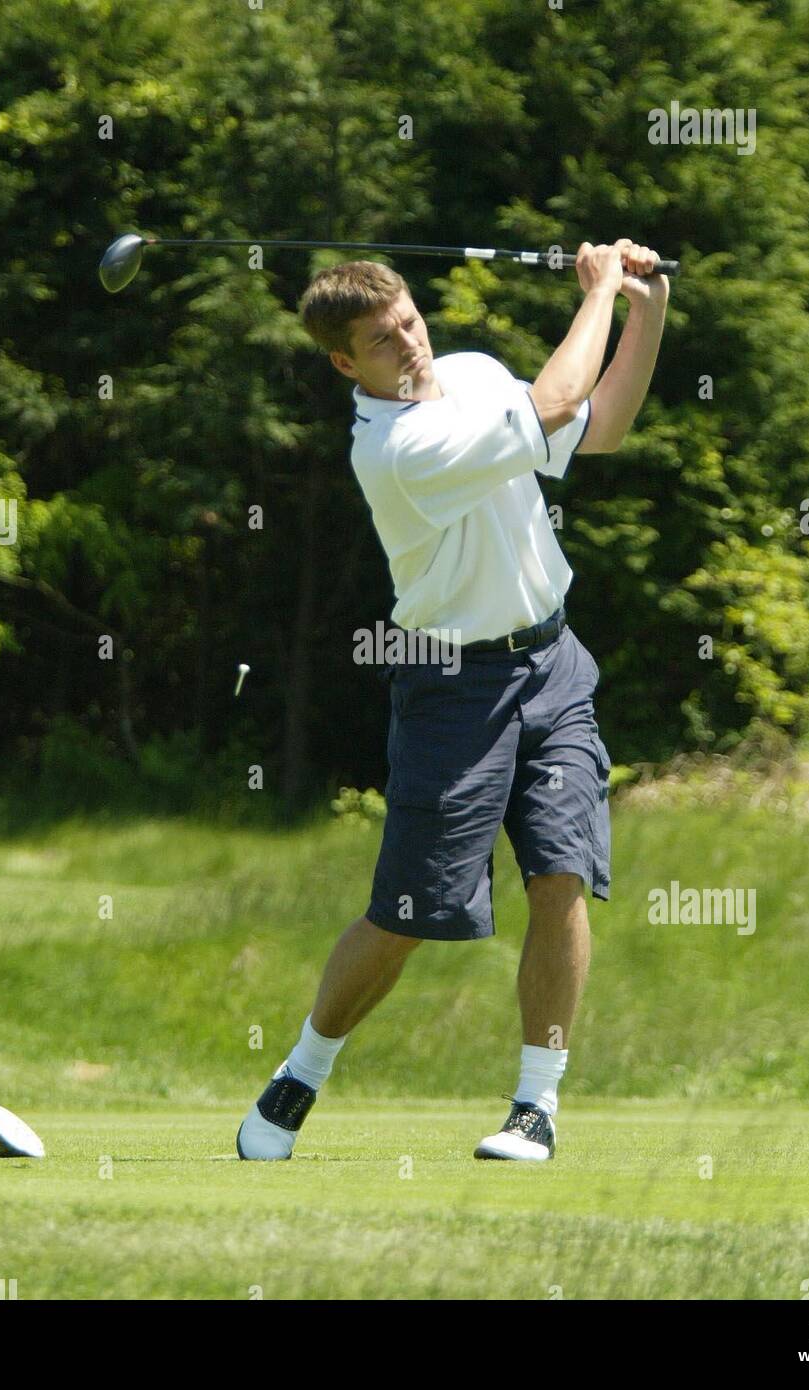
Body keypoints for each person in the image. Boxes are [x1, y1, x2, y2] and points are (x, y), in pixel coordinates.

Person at [238, 239, 669, 1161]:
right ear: (343, 363)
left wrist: (644, 308)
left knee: (560, 878)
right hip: (451, 689)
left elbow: (596, 426)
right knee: (409, 913)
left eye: (408, 319)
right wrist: (595, 292)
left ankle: (535, 1108)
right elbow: (552, 400)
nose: (409, 342)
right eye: (381, 339)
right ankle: (299, 1075)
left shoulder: (471, 373)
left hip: (554, 666)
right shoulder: (395, 449)